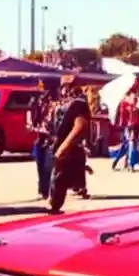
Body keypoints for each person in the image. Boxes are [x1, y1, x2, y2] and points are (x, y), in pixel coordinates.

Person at [48, 75, 91, 214]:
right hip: (58, 150)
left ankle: (55, 212)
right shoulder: (62, 104)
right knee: (53, 187)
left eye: (68, 86)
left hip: (69, 153)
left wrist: (63, 148)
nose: (65, 90)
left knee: (57, 190)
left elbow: (80, 127)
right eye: (63, 86)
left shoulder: (79, 104)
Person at [27, 82, 53, 200]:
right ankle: (42, 190)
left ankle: (48, 190)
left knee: (48, 166)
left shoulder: (53, 104)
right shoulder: (35, 102)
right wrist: (31, 125)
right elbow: (30, 118)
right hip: (39, 138)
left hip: (49, 139)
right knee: (39, 165)